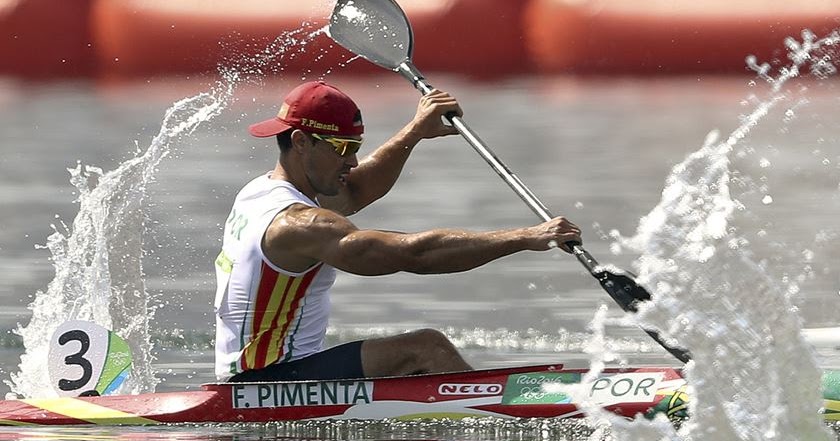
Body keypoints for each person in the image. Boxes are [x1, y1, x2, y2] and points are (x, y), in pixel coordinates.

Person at [214, 80, 581, 382]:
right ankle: (499, 408)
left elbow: (356, 190)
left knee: (420, 351)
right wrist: (525, 237)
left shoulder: (259, 192)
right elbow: (413, 255)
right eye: (343, 148)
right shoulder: (297, 224)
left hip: (264, 375)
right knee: (426, 349)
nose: (352, 161)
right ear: (300, 142)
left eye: (356, 147)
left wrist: (417, 130)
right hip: (267, 382)